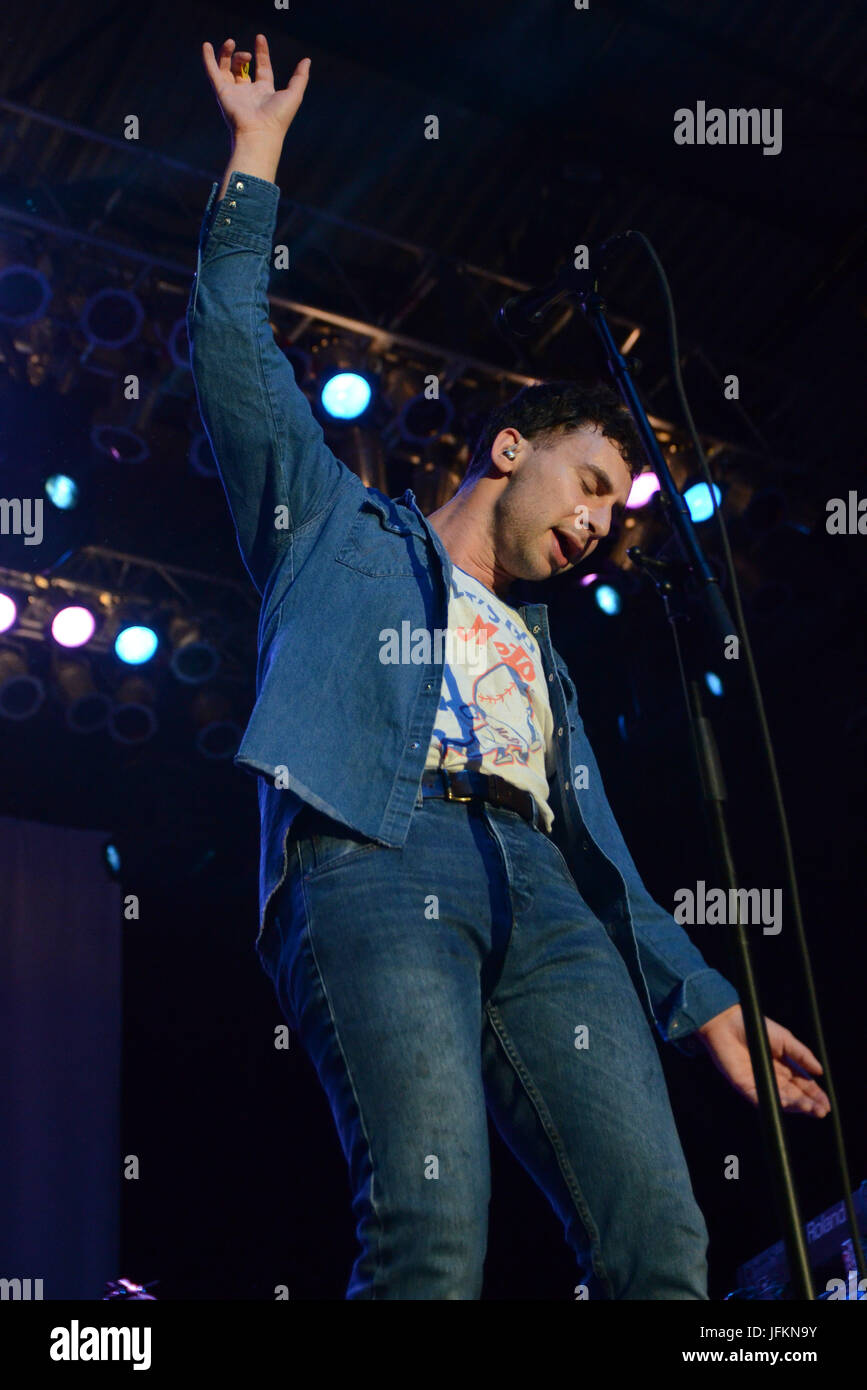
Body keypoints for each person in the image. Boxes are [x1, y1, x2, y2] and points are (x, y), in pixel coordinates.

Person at [188, 34, 830, 1300]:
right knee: (431, 1234)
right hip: (376, 851)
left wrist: (708, 1004)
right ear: (506, 443)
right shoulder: (333, 524)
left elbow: (609, 861)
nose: (600, 522)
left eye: (617, 510)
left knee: (663, 1246)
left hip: (545, 895)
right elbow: (229, 344)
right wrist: (257, 149)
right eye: (591, 482)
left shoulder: (547, 660)